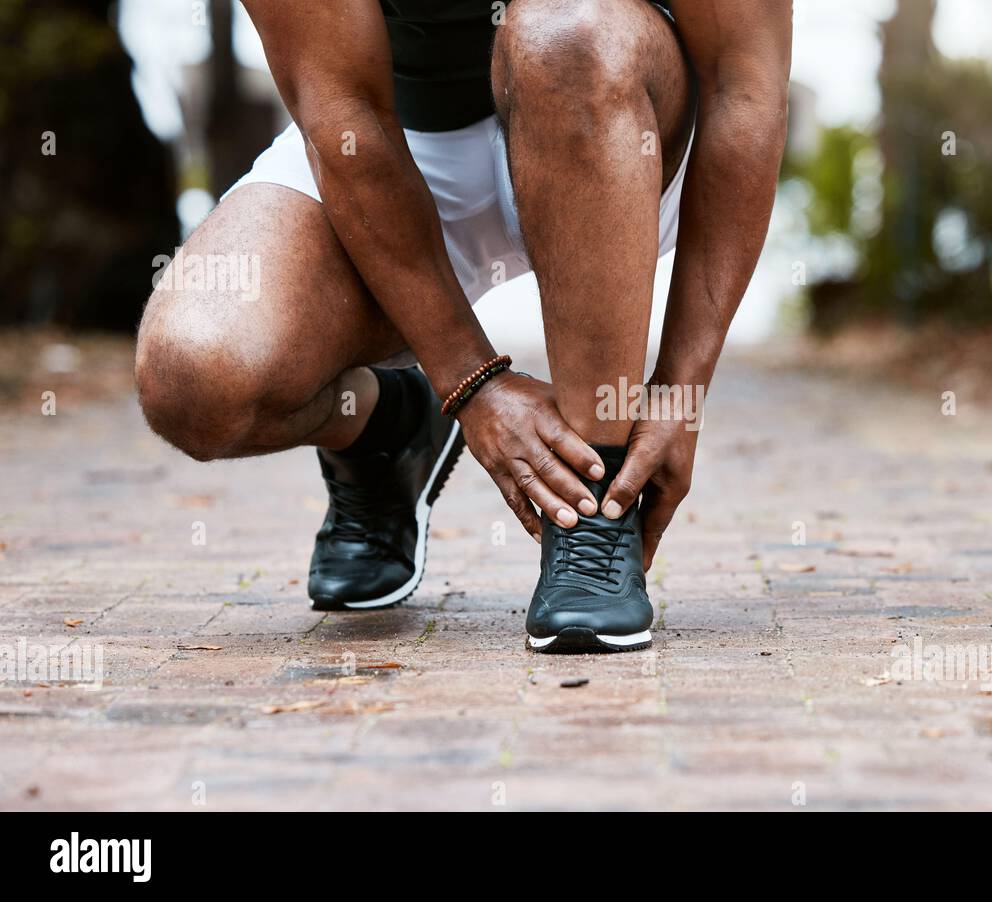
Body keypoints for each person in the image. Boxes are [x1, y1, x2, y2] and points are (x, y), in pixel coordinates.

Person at [134, 0, 792, 652]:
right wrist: (468, 383)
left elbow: (747, 84)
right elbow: (344, 115)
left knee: (564, 33)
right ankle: (390, 428)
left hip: (614, 117)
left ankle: (594, 506)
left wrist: (683, 383)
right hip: (395, 144)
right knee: (192, 377)